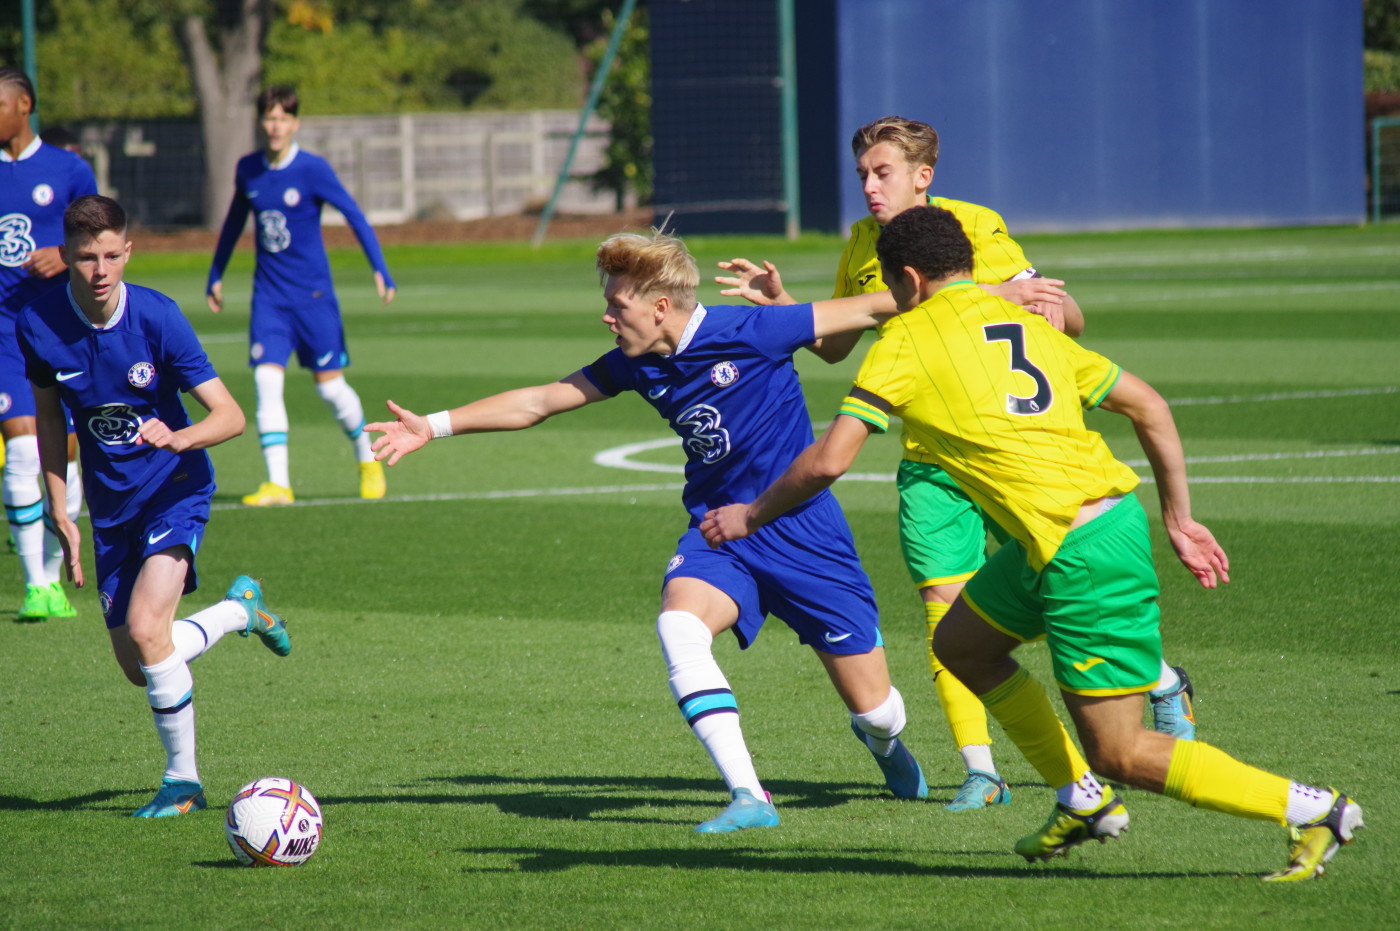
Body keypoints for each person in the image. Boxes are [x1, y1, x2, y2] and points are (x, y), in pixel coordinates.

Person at [701, 205, 1363, 881]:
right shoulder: (1025, 323)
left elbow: (828, 461)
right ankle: (1080, 799)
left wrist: (748, 516)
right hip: (1064, 537)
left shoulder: (901, 341)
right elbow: (1150, 406)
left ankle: (1313, 809)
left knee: (1121, 749)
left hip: (1083, 552)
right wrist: (1179, 518)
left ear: (906, 277)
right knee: (960, 644)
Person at [368, 229, 928, 832]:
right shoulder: (637, 364)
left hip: (804, 531)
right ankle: (750, 797)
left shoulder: (753, 331)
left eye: (618, 304)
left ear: (660, 308)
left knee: (877, 712)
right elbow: (539, 402)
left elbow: (883, 304)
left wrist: (1007, 293)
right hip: (720, 531)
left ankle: (885, 744)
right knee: (678, 626)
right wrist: (432, 425)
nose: (607, 316)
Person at [716, 115, 1195, 812]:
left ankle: (1158, 680)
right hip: (929, 456)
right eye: (862, 175)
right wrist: (787, 306)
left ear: (923, 175)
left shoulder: (976, 227)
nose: (870, 188)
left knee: (1058, 586)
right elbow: (838, 347)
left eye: (882, 173)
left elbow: (1070, 319)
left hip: (1009, 445)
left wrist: (1001, 308)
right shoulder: (863, 243)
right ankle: (981, 770)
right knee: (947, 612)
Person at [17, 195, 292, 817]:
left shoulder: (159, 318)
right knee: (141, 666)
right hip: (110, 510)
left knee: (147, 631)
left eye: (112, 255)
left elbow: (231, 415)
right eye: (87, 257)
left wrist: (179, 436)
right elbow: (50, 415)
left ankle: (183, 783)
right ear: (65, 256)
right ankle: (238, 612)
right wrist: (59, 506)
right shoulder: (36, 323)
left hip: (176, 487)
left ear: (128, 251)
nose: (100, 270)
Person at [206, 84, 395, 506]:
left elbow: (354, 215)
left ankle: (367, 457)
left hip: (313, 299)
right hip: (269, 301)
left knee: (330, 389)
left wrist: (380, 269)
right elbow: (235, 222)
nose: (275, 127)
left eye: (282, 119)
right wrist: (215, 274)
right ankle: (279, 484)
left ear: (296, 123)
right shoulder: (248, 169)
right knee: (265, 381)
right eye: (269, 118)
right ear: (261, 122)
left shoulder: (313, 169)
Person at [0, 67, 94, 620]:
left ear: (24, 105)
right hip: (4, 334)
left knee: (67, 456)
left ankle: (57, 574)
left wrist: (64, 253)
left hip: (63, 330)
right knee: (25, 450)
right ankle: (36, 584)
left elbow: (102, 233)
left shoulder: (67, 168)